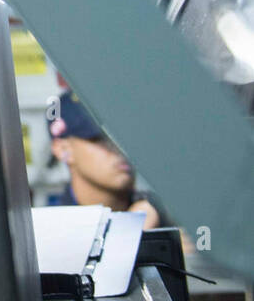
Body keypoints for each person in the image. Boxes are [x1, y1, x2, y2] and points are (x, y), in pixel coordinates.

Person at [47, 91, 173, 229]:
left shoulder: (171, 213)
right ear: (63, 149)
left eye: (125, 135)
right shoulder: (50, 235)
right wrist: (134, 238)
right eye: (100, 138)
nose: (120, 148)